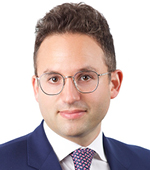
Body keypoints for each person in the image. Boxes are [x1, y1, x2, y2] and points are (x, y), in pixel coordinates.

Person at [0, 2, 150, 170]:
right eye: (54, 79)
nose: (70, 97)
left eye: (85, 77)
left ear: (114, 84)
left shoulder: (145, 162)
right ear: (36, 88)